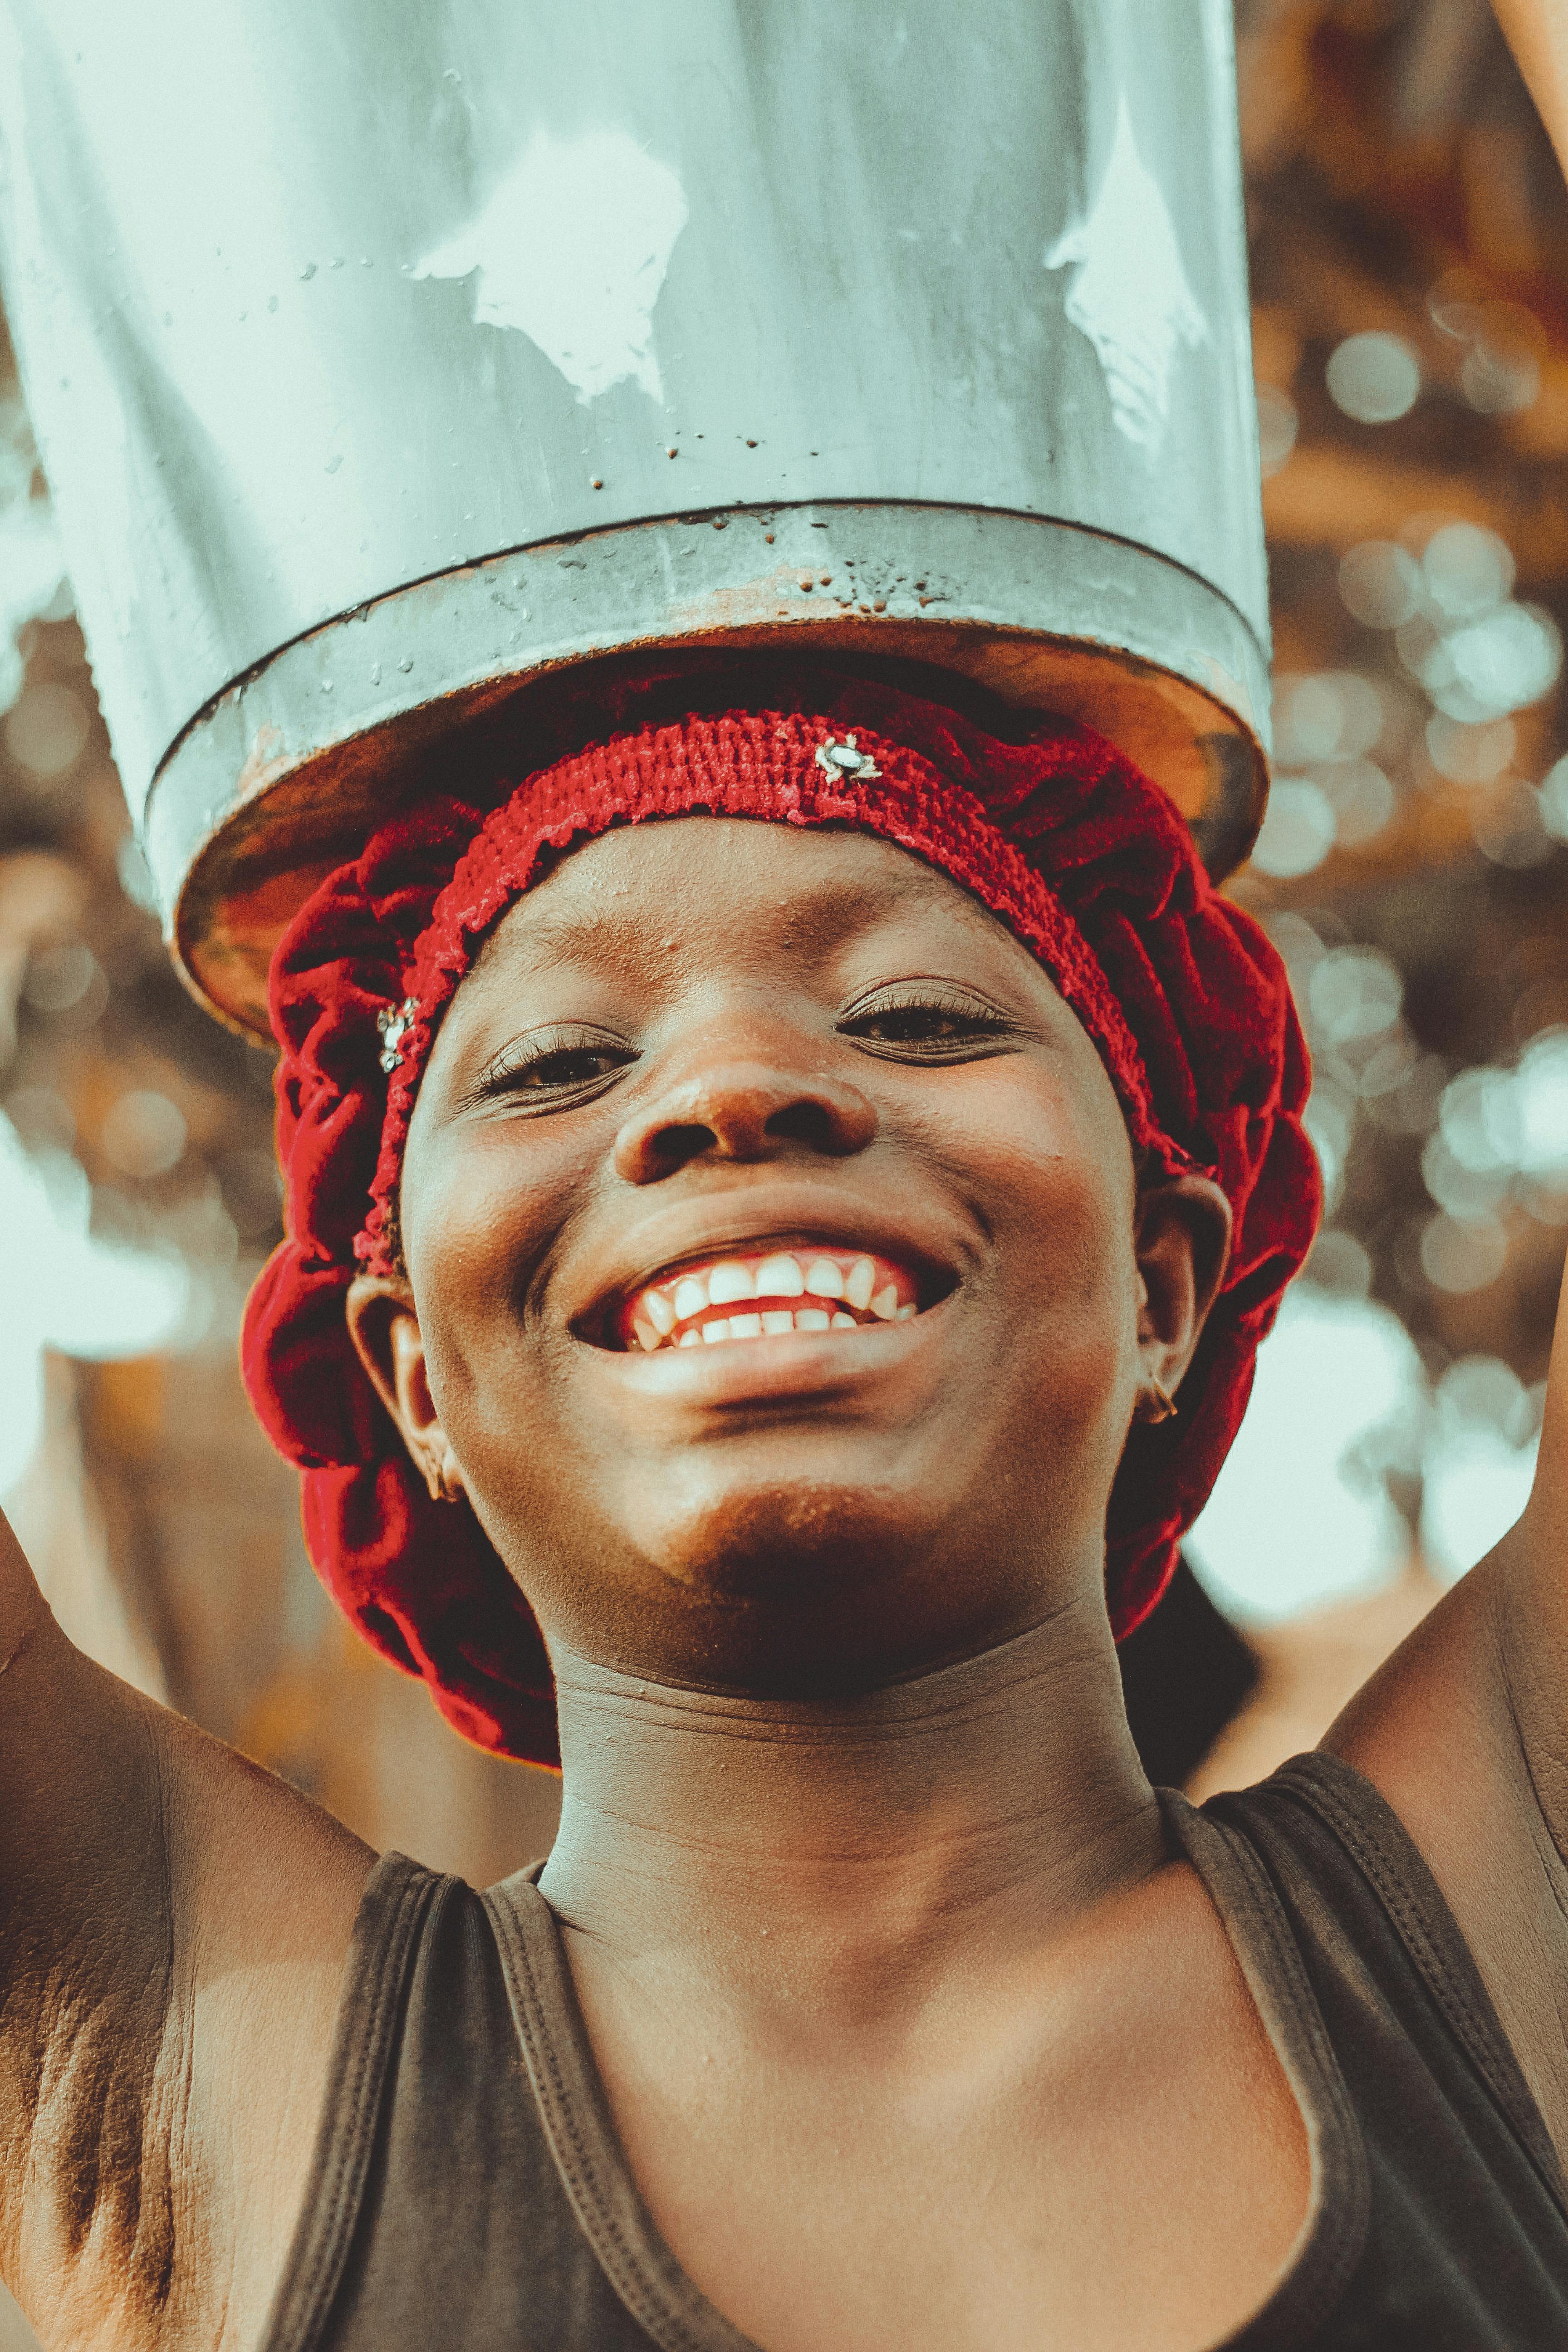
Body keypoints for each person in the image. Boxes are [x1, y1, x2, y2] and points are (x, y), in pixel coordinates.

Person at [2, 649, 1567, 2352]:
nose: (729, 1086)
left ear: (1163, 1286)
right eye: (551, 1065)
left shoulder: (1511, 1904)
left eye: (914, 1017)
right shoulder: (167, 2031)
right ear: (410, 1382)